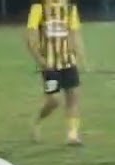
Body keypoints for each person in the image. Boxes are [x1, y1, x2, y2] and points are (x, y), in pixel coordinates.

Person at [26, 0, 85, 144]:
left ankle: (72, 135)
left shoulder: (70, 8)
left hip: (68, 62)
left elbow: (74, 34)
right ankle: (37, 121)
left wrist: (80, 56)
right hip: (50, 65)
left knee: (73, 97)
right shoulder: (38, 8)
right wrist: (40, 59)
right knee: (54, 100)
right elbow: (31, 35)